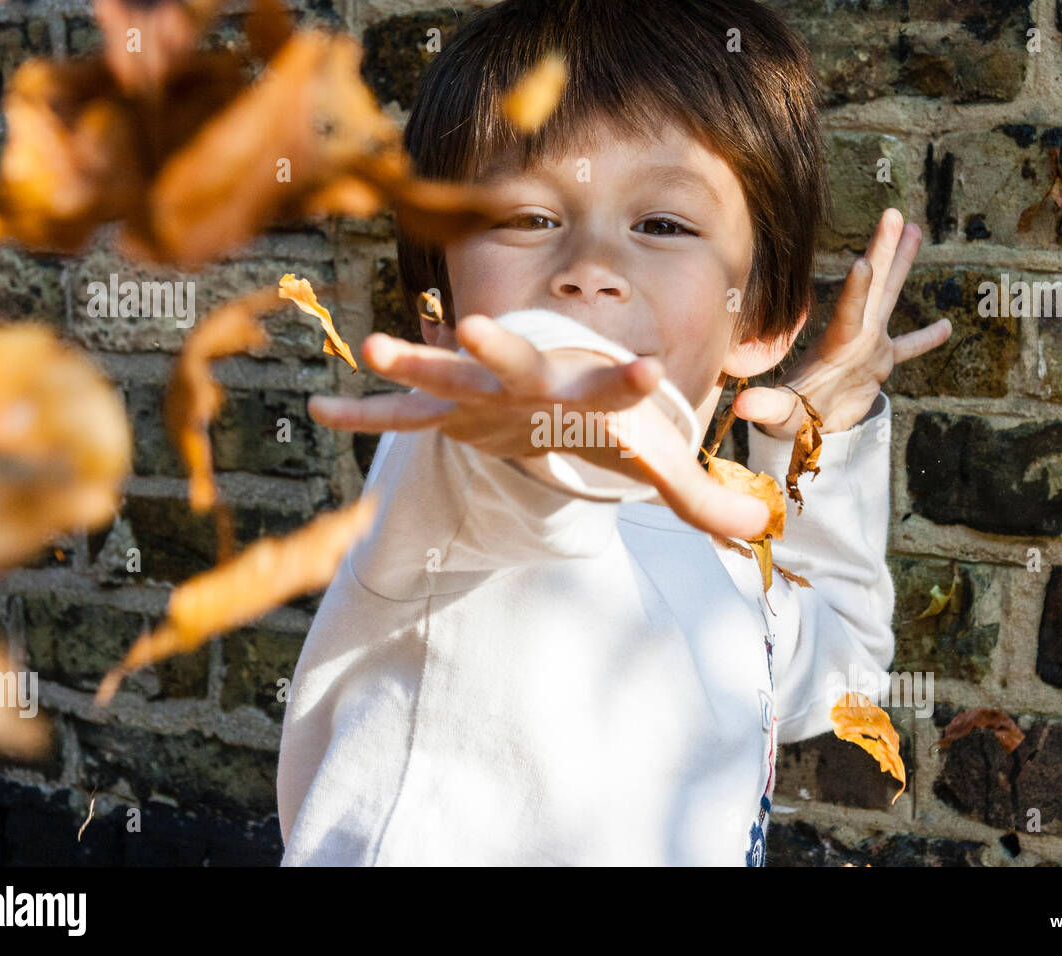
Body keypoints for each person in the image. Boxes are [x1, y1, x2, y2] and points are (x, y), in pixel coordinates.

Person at [276, 0, 952, 865]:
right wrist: (548, 391)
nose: (590, 268)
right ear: (438, 316)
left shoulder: (723, 560)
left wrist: (826, 428)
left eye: (663, 225)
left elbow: (846, 669)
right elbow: (532, 443)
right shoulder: (453, 489)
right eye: (528, 219)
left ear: (762, 322)